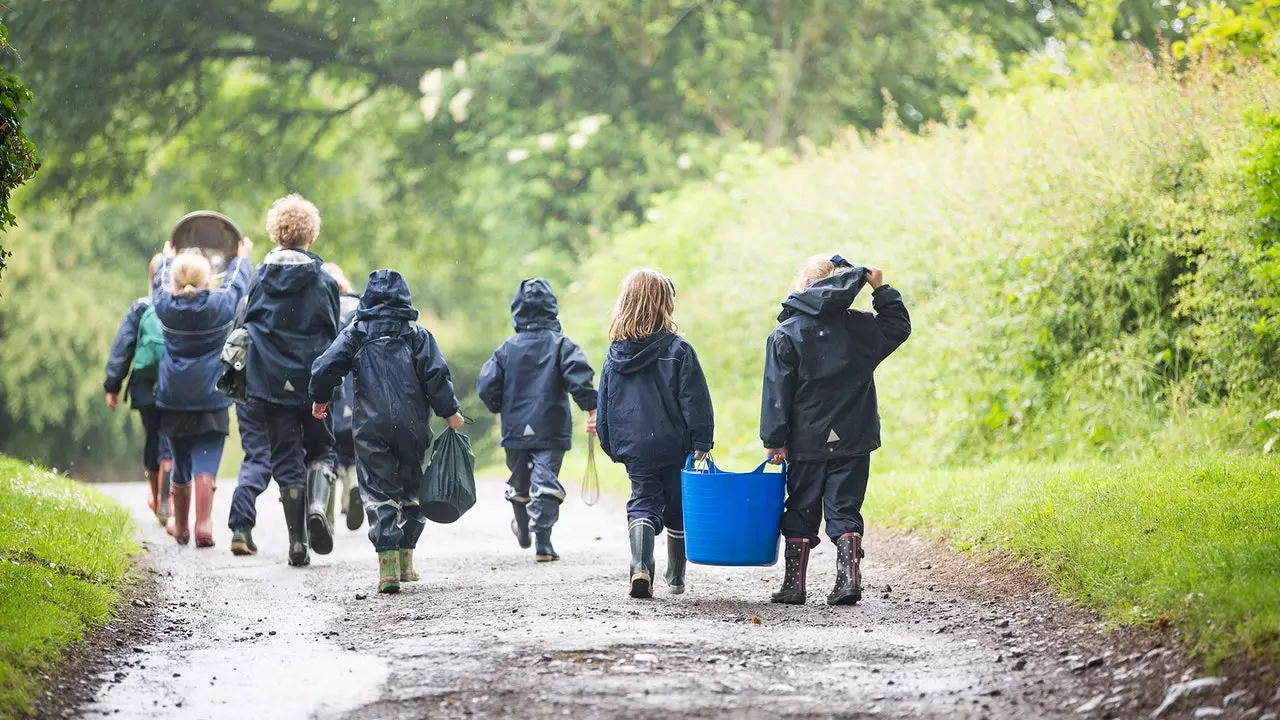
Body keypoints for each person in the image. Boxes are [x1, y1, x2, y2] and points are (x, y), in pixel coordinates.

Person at [760, 255, 911, 606]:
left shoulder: (785, 334)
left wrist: (774, 440)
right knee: (845, 507)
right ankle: (847, 581)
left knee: (800, 509)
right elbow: (898, 327)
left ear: (804, 288)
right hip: (853, 437)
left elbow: (776, 393)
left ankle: (793, 586)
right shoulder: (861, 328)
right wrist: (881, 289)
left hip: (806, 442)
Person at [310, 269, 465, 594]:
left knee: (380, 493)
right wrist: (450, 413)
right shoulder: (417, 335)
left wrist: (321, 398)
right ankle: (407, 558)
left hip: (371, 426)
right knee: (412, 491)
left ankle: (388, 567)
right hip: (412, 426)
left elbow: (327, 366)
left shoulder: (356, 332)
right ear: (404, 299)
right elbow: (437, 375)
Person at [594, 269, 714, 599]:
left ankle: (640, 568)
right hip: (675, 444)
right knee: (677, 506)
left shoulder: (615, 355)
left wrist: (610, 443)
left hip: (634, 445)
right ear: (665, 304)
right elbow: (695, 400)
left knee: (643, 502)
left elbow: (605, 402)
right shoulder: (678, 350)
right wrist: (702, 440)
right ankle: (675, 577)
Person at [242, 195, 341, 567]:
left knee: (285, 456)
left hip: (269, 383)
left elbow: (245, 324)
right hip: (313, 381)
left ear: (276, 233)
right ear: (311, 236)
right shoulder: (324, 280)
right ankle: (318, 505)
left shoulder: (259, 278)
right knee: (322, 448)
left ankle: (297, 543)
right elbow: (334, 333)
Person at [477, 279, 597, 562]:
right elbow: (578, 377)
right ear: (552, 309)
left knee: (520, 479)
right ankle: (542, 540)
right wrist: (591, 407)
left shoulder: (507, 348)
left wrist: (499, 406)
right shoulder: (561, 345)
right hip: (551, 426)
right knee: (545, 480)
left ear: (517, 311)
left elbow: (486, 385)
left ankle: (522, 524)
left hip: (515, 428)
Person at [152, 238, 253, 547]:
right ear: (208, 280)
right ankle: (204, 525)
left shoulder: (165, 307)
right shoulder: (219, 305)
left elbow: (158, 284)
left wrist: (168, 259)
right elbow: (237, 285)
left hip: (174, 398)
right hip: (211, 396)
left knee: (180, 461)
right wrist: (242, 257)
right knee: (207, 459)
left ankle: (180, 527)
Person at [104, 253, 173, 523]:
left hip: (144, 387)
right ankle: (168, 499)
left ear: (151, 278)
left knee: (153, 438)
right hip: (174, 385)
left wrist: (112, 385)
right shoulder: (181, 306)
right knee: (169, 440)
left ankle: (157, 498)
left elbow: (123, 348)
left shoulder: (141, 307)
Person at [321, 262, 364, 532]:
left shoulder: (320, 310)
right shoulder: (360, 309)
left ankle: (328, 513)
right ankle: (355, 484)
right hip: (356, 394)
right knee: (352, 449)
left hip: (329, 393)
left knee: (327, 450)